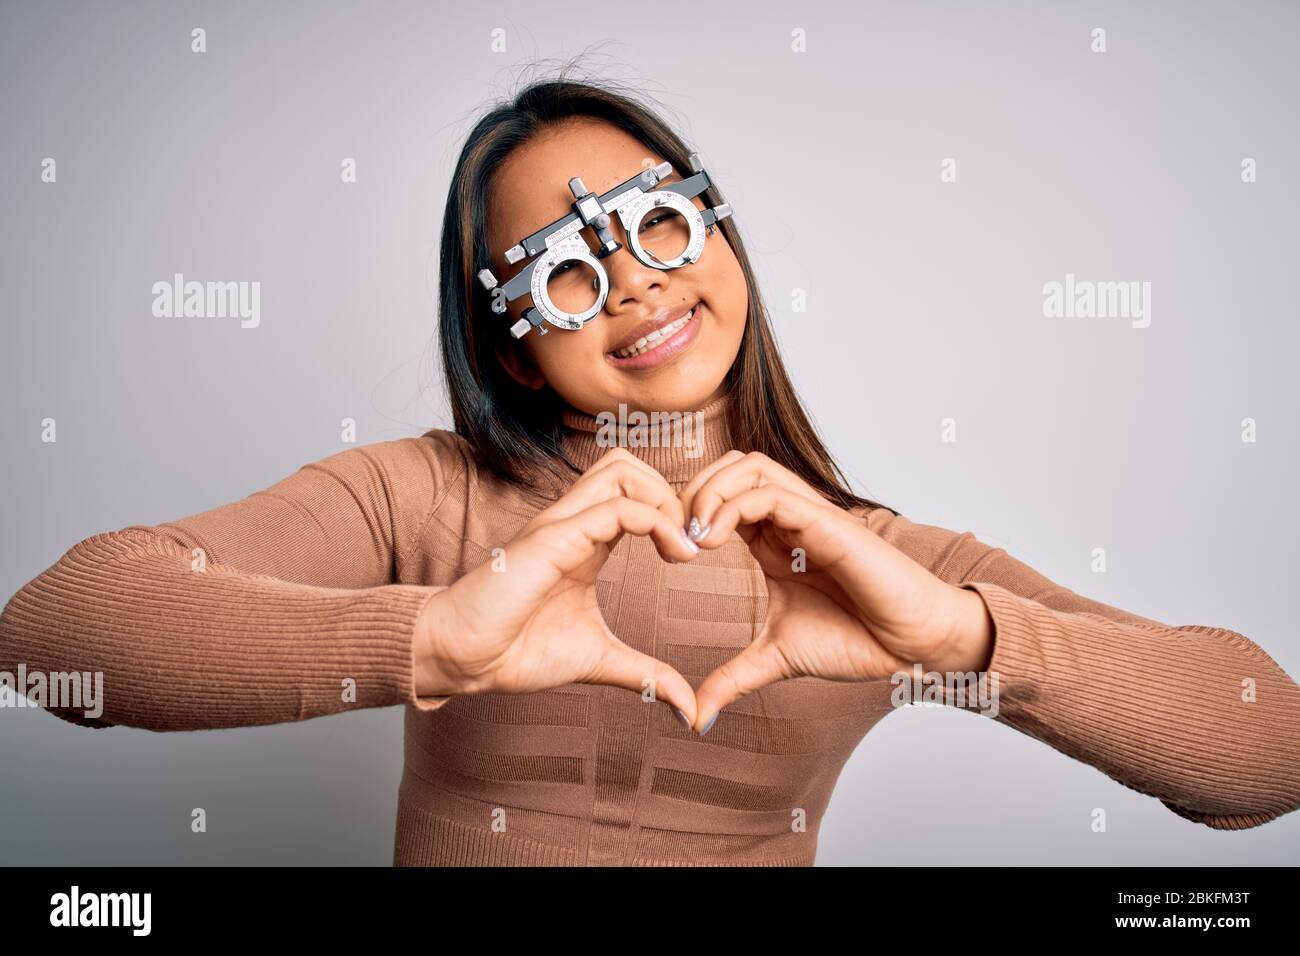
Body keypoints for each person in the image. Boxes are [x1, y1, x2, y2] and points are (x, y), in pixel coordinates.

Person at [3, 77, 1299, 867]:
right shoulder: (426, 498)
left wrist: (966, 641)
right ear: (509, 350)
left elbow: (1265, 751)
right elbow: (51, 633)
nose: (633, 278)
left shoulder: (869, 565)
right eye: (566, 264)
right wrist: (434, 639)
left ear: (721, 237)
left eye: (658, 220)